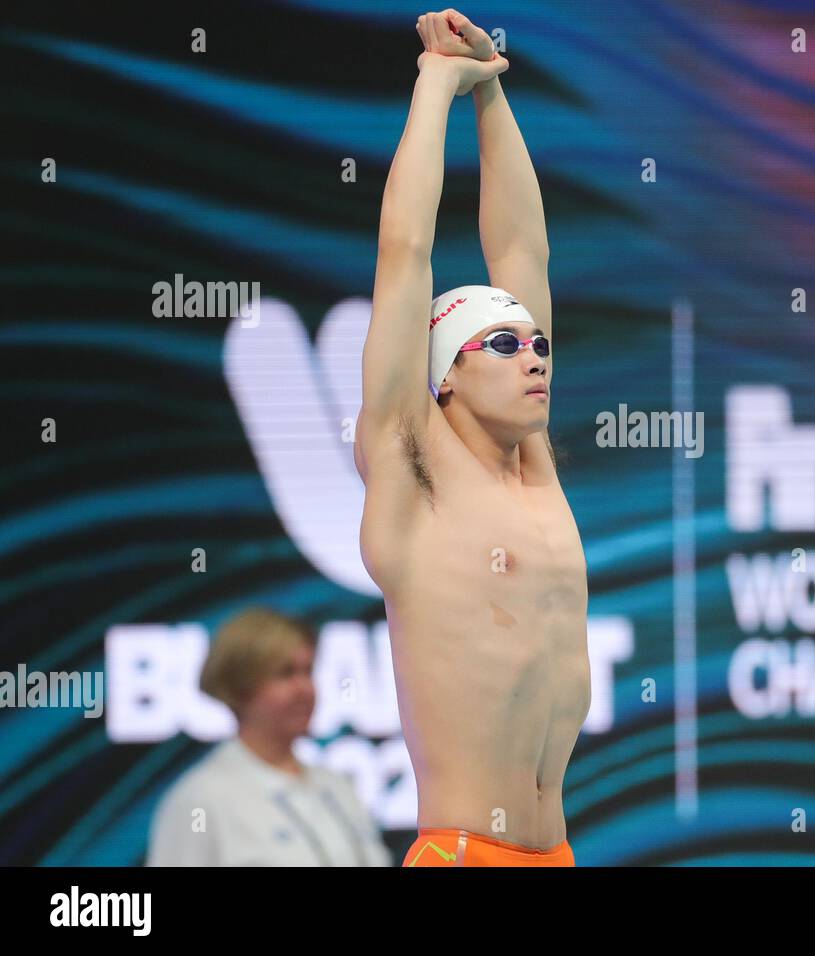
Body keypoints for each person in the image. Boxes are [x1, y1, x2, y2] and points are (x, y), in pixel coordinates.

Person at [355, 8, 590, 867]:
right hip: (464, 851)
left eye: (539, 346)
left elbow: (523, 248)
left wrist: (491, 91)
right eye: (502, 344)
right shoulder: (409, 462)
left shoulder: (533, 466)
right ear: (445, 374)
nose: (534, 357)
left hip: (556, 853)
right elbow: (404, 252)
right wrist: (437, 83)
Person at [146, 607, 391, 866]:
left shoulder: (336, 786)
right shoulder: (201, 799)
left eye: (308, 671)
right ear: (241, 687)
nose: (304, 689)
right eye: (285, 673)